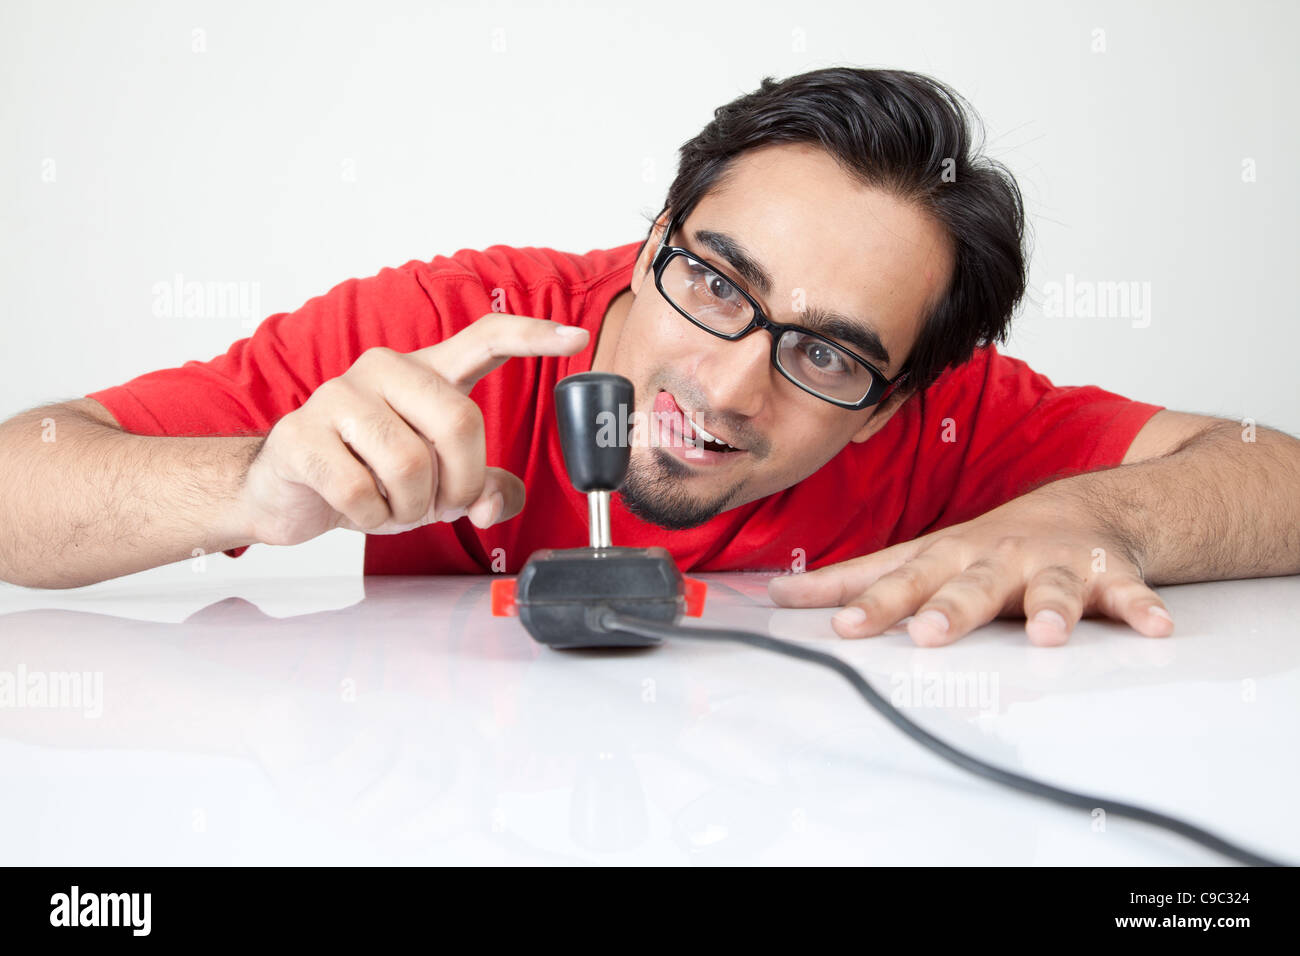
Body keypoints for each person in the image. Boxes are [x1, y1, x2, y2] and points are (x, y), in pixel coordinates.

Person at [2, 67, 1297, 646]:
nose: (726, 389)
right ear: (648, 241)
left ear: (896, 398)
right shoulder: (457, 328)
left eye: (830, 360)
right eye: (716, 283)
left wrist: (1100, 515)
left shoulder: (946, 422)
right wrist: (243, 488)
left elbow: (1275, 476)